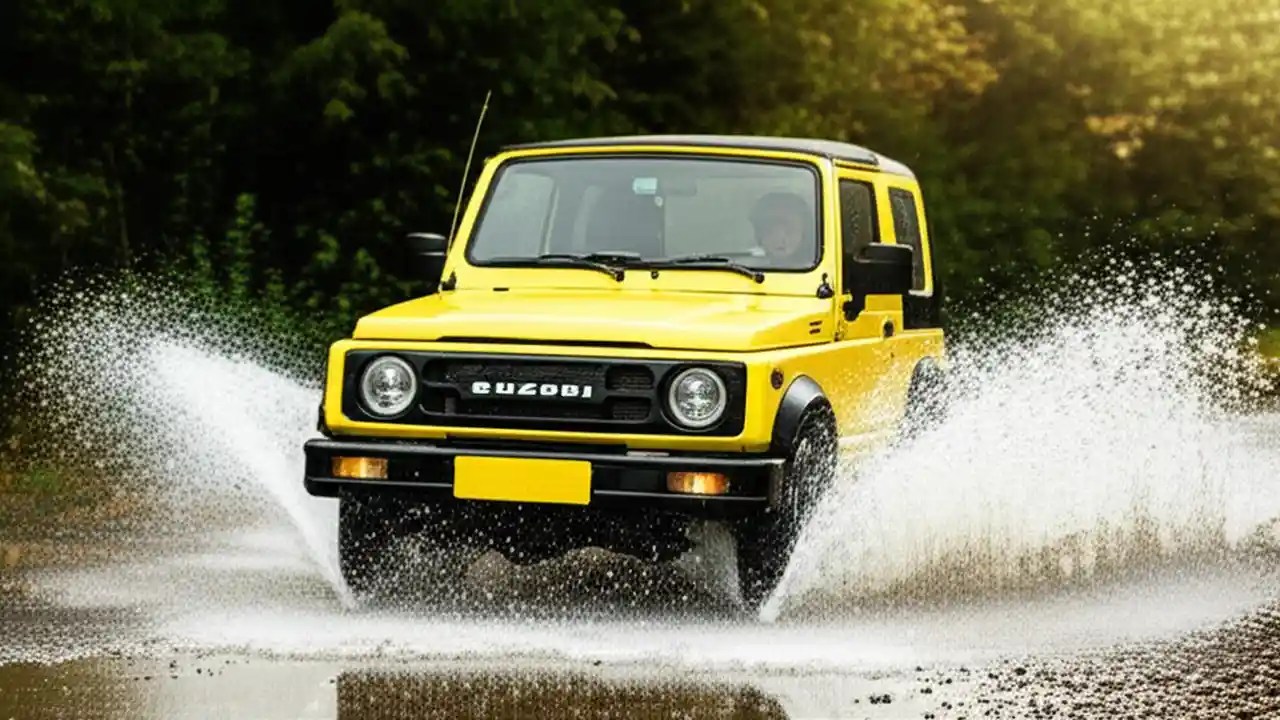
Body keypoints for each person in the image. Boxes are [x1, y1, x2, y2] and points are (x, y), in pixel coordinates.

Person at [750, 191, 814, 267]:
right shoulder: (745, 271)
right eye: (770, 231)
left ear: (804, 232)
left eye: (790, 230)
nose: (779, 238)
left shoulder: (819, 272)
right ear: (759, 234)